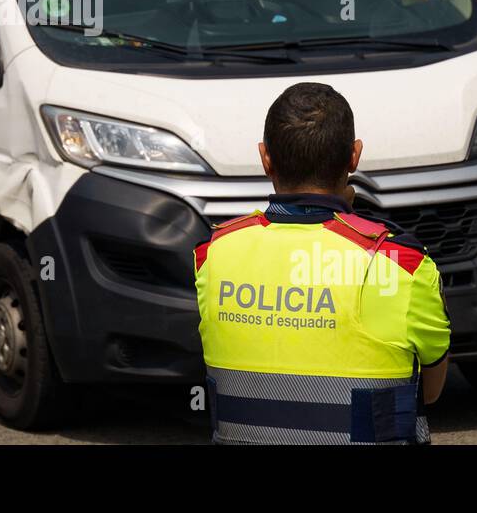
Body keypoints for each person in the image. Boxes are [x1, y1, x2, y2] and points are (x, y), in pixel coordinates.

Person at [193, 82, 452, 444]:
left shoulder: (213, 254)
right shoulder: (398, 263)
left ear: (264, 157)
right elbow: (431, 391)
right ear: (354, 156)